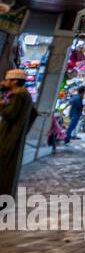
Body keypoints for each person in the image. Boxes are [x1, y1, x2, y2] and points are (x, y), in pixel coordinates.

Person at [0, 69, 36, 198]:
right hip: (15, 135)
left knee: (4, 167)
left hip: (8, 136)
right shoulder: (25, 94)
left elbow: (10, 114)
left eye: (7, 80)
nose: (3, 82)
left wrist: (1, 104)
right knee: (9, 168)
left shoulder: (17, 94)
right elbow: (34, 113)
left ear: (15, 81)